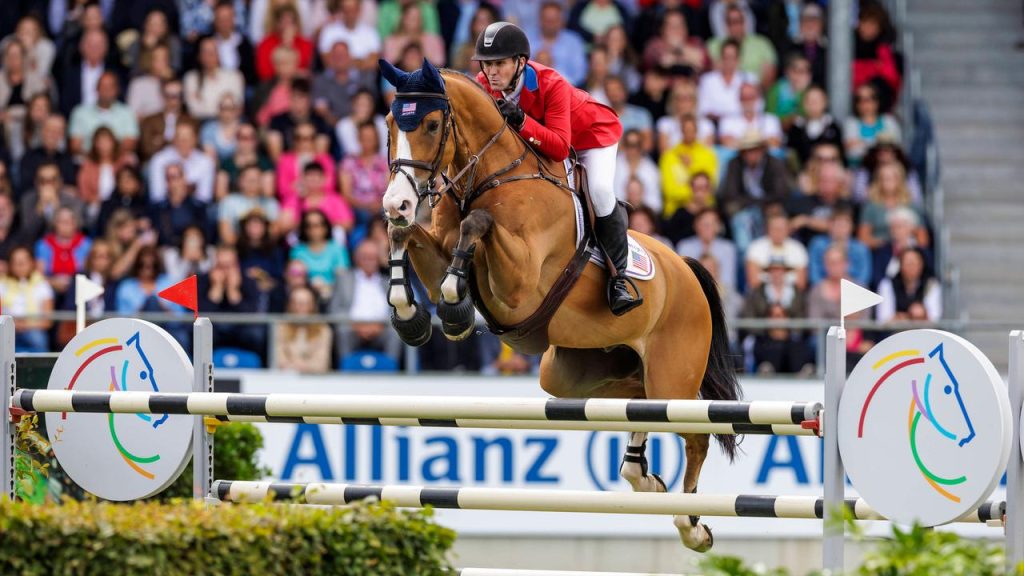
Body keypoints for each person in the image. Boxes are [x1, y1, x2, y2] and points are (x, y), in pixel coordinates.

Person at [472, 21, 640, 315]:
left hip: (590, 138)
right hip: (539, 140)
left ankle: (619, 279)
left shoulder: (552, 84)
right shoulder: (484, 84)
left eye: (499, 63)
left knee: (599, 191)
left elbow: (562, 147)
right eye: (486, 64)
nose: (491, 72)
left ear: (520, 62)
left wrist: (522, 121)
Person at [1, 246, 53, 352]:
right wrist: (14, 325)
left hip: (34, 329)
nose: (20, 266)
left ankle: (40, 368)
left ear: (32, 263)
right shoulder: (2, 285)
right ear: (10, 265)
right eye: (16, 262)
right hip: (7, 329)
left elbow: (47, 321)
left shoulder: (42, 285)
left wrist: (25, 325)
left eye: (23, 262)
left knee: (37, 338)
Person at [275, 284, 332, 373]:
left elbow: (322, 363)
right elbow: (278, 359)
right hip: (286, 377)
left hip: (315, 379)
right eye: (297, 303)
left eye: (305, 303)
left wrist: (302, 366)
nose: (300, 307)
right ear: (290, 305)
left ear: (312, 305)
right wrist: (292, 366)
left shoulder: (323, 329)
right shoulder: (280, 327)